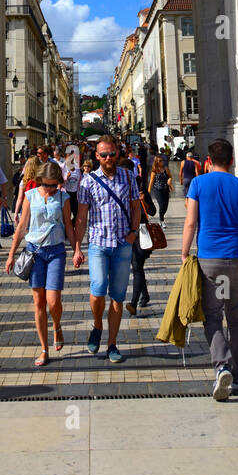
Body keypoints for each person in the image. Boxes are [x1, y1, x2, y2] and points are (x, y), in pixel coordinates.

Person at [181, 138, 238, 400]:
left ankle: (221, 365)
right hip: (237, 260)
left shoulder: (198, 183)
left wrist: (185, 253)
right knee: (235, 318)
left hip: (210, 260)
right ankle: (237, 373)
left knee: (212, 316)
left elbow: (190, 222)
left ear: (208, 161)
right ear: (232, 161)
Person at [73, 135, 140, 364]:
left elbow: (135, 206)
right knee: (98, 288)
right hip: (98, 243)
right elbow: (81, 217)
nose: (108, 158)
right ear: (96, 156)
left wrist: (133, 233)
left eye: (112, 154)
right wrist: (77, 247)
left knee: (118, 297)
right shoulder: (87, 181)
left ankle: (112, 343)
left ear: (118, 154)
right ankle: (97, 325)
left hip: (122, 244)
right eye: (104, 155)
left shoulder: (129, 176)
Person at [6, 160, 76, 367]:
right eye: (47, 185)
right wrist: (11, 255)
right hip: (34, 252)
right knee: (39, 303)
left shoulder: (63, 198)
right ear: (39, 181)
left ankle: (57, 325)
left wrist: (77, 249)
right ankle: (44, 349)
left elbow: (69, 226)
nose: (50, 189)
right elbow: (21, 228)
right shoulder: (31, 196)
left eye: (54, 185)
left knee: (53, 301)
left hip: (56, 252)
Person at [127, 163, 157, 317]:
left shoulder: (140, 187)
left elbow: (152, 211)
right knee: (137, 267)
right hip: (126, 234)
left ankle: (133, 302)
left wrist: (143, 200)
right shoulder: (119, 189)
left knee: (137, 266)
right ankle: (144, 295)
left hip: (142, 234)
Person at [148, 154, 172, 223]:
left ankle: (162, 217)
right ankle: (161, 220)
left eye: (162, 160)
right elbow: (151, 182)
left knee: (165, 206)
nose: (162, 162)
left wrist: (170, 179)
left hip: (165, 189)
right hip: (157, 190)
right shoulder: (154, 171)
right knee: (161, 206)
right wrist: (148, 192)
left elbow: (170, 176)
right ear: (156, 162)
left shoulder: (165, 169)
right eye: (160, 161)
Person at [61, 148, 82, 228]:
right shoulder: (62, 167)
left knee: (77, 214)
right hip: (65, 193)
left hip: (75, 194)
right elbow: (59, 182)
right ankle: (66, 231)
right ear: (65, 157)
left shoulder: (77, 168)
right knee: (66, 215)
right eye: (69, 156)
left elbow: (80, 179)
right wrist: (66, 177)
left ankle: (70, 228)